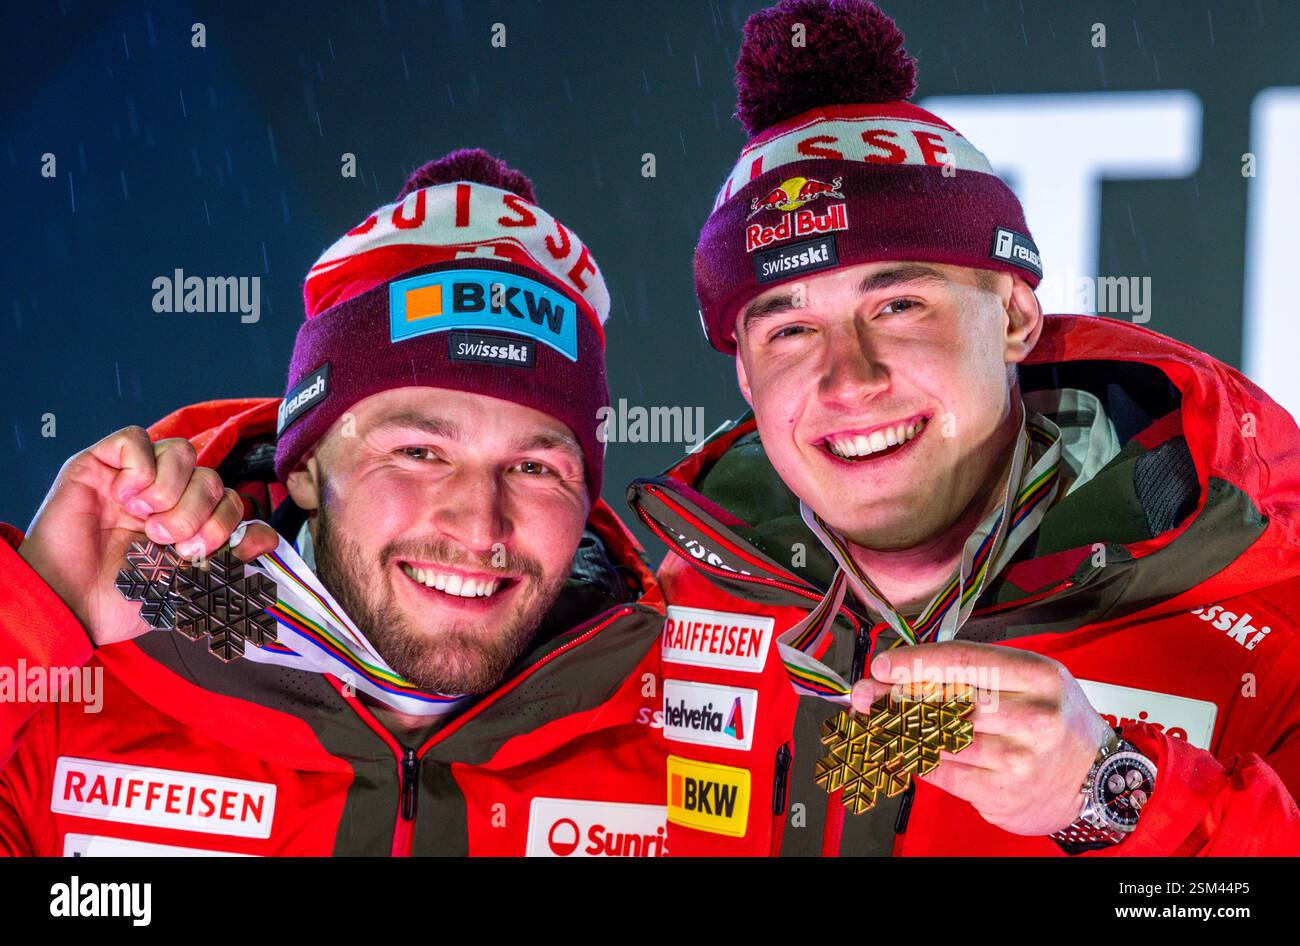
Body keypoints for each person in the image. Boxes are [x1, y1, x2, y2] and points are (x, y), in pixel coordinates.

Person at [628, 0, 1300, 855]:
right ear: (744, 372)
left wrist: (1113, 799)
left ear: (1017, 317)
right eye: (789, 329)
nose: (849, 379)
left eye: (900, 305)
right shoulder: (682, 600)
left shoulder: (1260, 599)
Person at [1, 149, 669, 856]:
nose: (481, 526)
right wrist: (33, 614)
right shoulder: (66, 706)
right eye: (418, 452)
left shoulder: (686, 748)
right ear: (306, 471)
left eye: (535, 467)